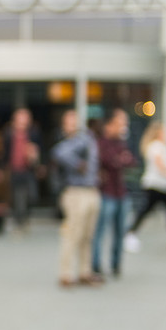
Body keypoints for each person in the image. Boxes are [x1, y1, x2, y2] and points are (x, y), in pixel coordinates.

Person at [51, 109, 101, 288]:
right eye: (69, 122)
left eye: (75, 121)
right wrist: (77, 164)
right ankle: (66, 273)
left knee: (87, 235)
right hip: (75, 192)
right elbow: (59, 153)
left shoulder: (86, 139)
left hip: (91, 190)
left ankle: (84, 271)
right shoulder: (67, 143)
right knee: (72, 234)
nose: (72, 125)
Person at [125, 120, 166, 252]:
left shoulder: (160, 146)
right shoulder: (156, 146)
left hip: (163, 185)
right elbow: (159, 162)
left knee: (165, 211)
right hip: (156, 184)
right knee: (152, 211)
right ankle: (131, 233)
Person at [91, 108, 135, 279]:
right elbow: (110, 161)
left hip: (121, 193)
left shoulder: (121, 143)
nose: (123, 127)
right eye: (120, 123)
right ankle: (96, 265)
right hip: (106, 193)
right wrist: (119, 160)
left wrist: (120, 160)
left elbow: (130, 160)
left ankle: (116, 265)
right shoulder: (101, 144)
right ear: (109, 125)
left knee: (119, 232)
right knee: (100, 231)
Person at [0, 108, 40, 233]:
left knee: (30, 196)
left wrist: (38, 162)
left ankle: (26, 218)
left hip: (29, 169)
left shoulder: (33, 133)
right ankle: (18, 222)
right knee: (16, 197)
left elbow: (40, 149)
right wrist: (1, 168)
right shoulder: (9, 133)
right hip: (15, 169)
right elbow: (5, 152)